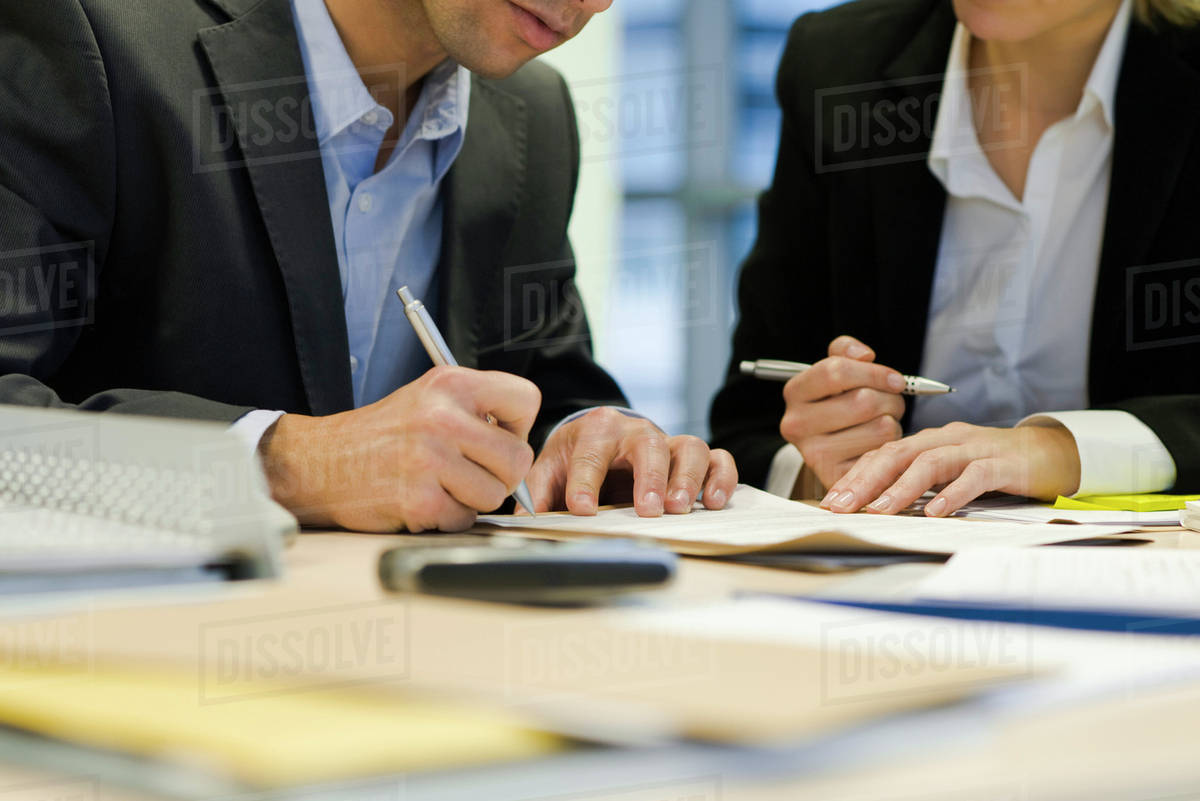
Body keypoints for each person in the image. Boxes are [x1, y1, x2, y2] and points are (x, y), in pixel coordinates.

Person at [0, 0, 736, 532]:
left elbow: (545, 379)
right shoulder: (88, 30)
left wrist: (598, 440)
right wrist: (291, 463)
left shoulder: (530, 112)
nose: (595, 3)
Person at [711, 0, 1200, 517]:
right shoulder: (840, 63)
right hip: (891, 562)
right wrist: (819, 470)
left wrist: (1062, 450)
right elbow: (750, 425)